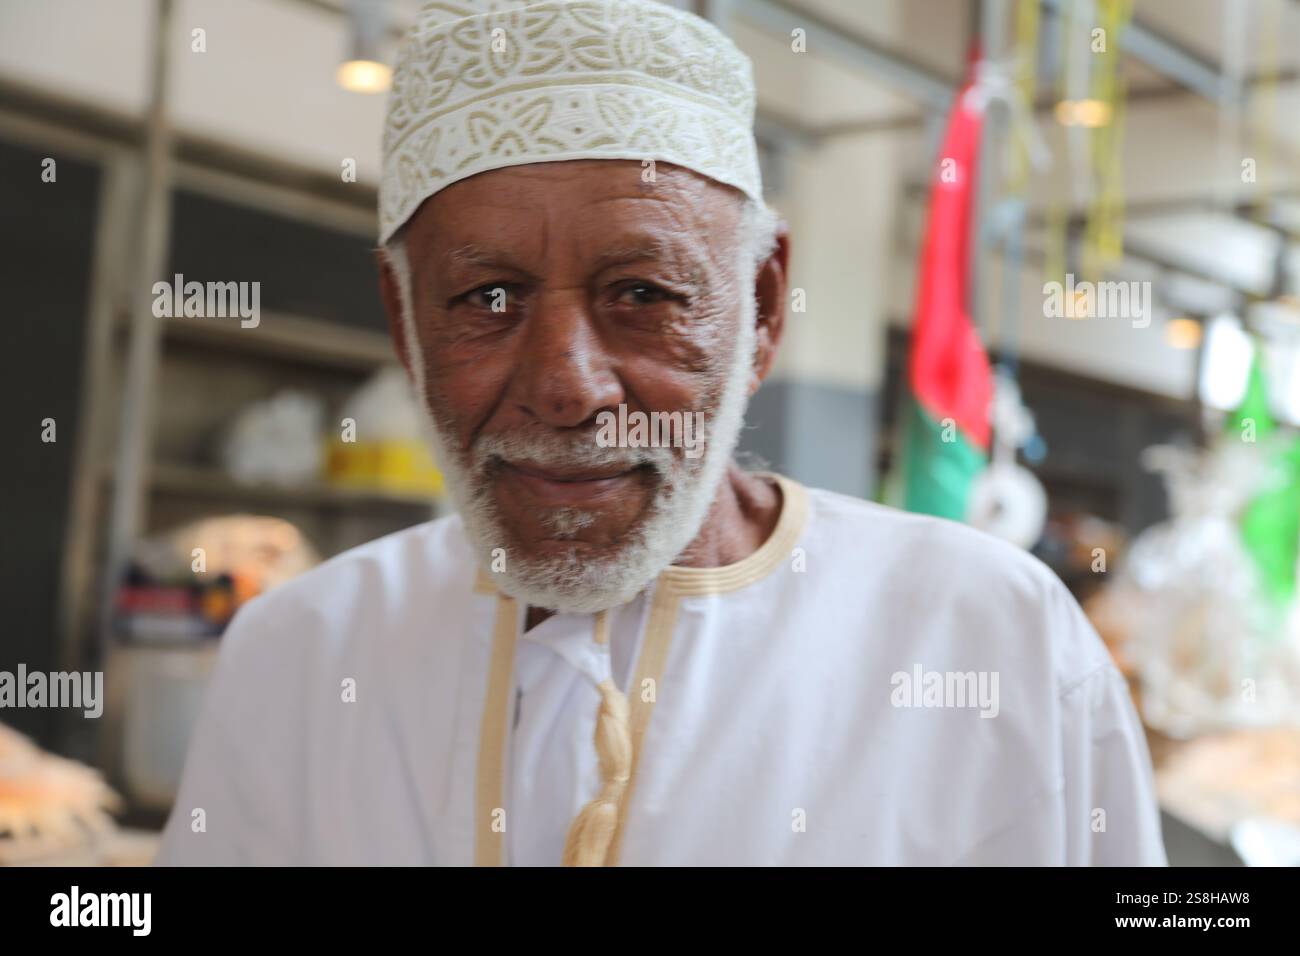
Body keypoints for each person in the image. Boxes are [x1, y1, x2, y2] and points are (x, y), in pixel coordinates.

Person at [157, 0, 1166, 866]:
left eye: (642, 292)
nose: (566, 386)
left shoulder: (994, 639)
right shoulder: (299, 653)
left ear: (762, 308)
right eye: (488, 295)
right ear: (404, 317)